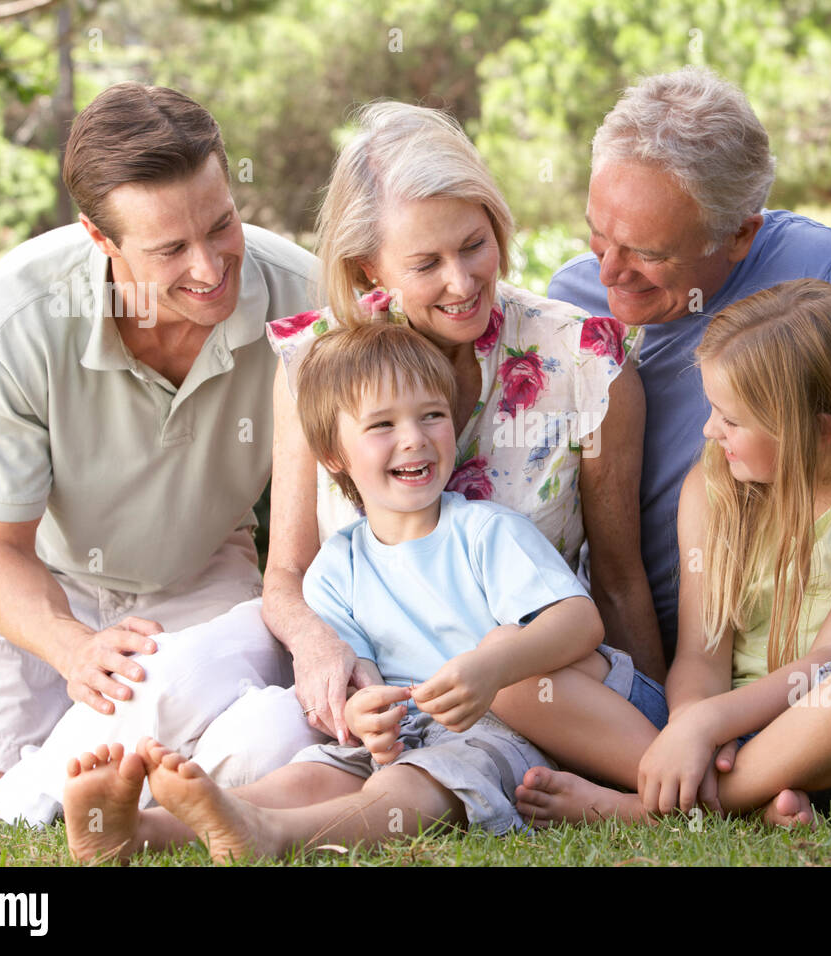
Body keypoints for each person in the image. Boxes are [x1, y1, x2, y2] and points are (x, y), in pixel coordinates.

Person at [547, 67, 831, 805]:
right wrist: (690, 726)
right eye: (598, 234)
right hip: (689, 675)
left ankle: (662, 806)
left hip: (812, 704)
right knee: (524, 671)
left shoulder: (827, 281)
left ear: (740, 232)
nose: (608, 271)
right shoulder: (574, 304)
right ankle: (694, 789)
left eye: (647, 252)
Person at [0, 84, 317, 820]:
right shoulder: (16, 315)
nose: (212, 268)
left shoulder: (307, 302)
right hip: (35, 575)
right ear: (101, 239)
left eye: (222, 224)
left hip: (199, 573)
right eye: (170, 250)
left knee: (239, 762)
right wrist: (72, 648)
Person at [60, 322, 613, 861]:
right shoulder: (335, 568)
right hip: (399, 734)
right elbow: (358, 683)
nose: (414, 438)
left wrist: (492, 669)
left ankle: (272, 837)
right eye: (382, 425)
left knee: (412, 788)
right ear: (332, 456)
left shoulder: (487, 532)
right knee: (309, 774)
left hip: (503, 729)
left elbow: (579, 623)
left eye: (432, 416)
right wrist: (364, 716)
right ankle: (146, 831)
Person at [255, 100, 658, 768]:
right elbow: (287, 574)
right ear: (367, 271)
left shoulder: (584, 360)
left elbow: (617, 580)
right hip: (388, 709)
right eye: (425, 264)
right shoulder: (315, 362)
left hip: (541, 694)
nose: (462, 281)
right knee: (262, 756)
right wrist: (319, 645)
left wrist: (667, 735)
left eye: (475, 245)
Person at [516, 279, 831, 826]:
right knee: (515, 665)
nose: (709, 429)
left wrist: (705, 726)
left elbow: (830, 658)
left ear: (816, 430)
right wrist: (690, 723)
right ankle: (735, 796)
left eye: (731, 419)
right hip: (721, 729)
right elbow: (700, 655)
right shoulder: (715, 484)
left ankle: (642, 809)